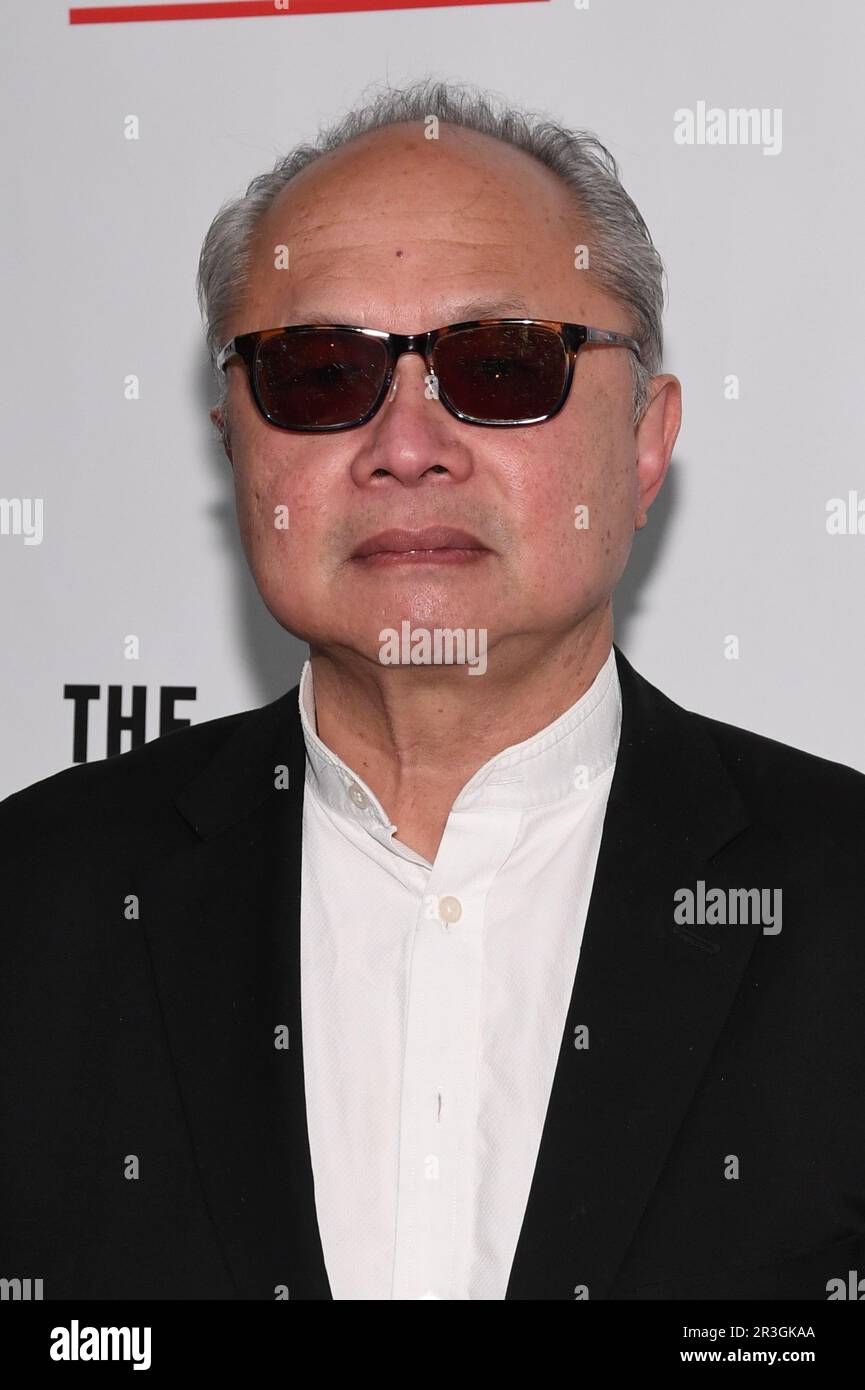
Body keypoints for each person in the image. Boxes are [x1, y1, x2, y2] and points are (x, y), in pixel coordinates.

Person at [2, 78, 863, 1302]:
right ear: (236, 449)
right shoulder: (37, 905)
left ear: (644, 443)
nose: (407, 445)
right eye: (315, 374)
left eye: (501, 367)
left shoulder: (840, 903)